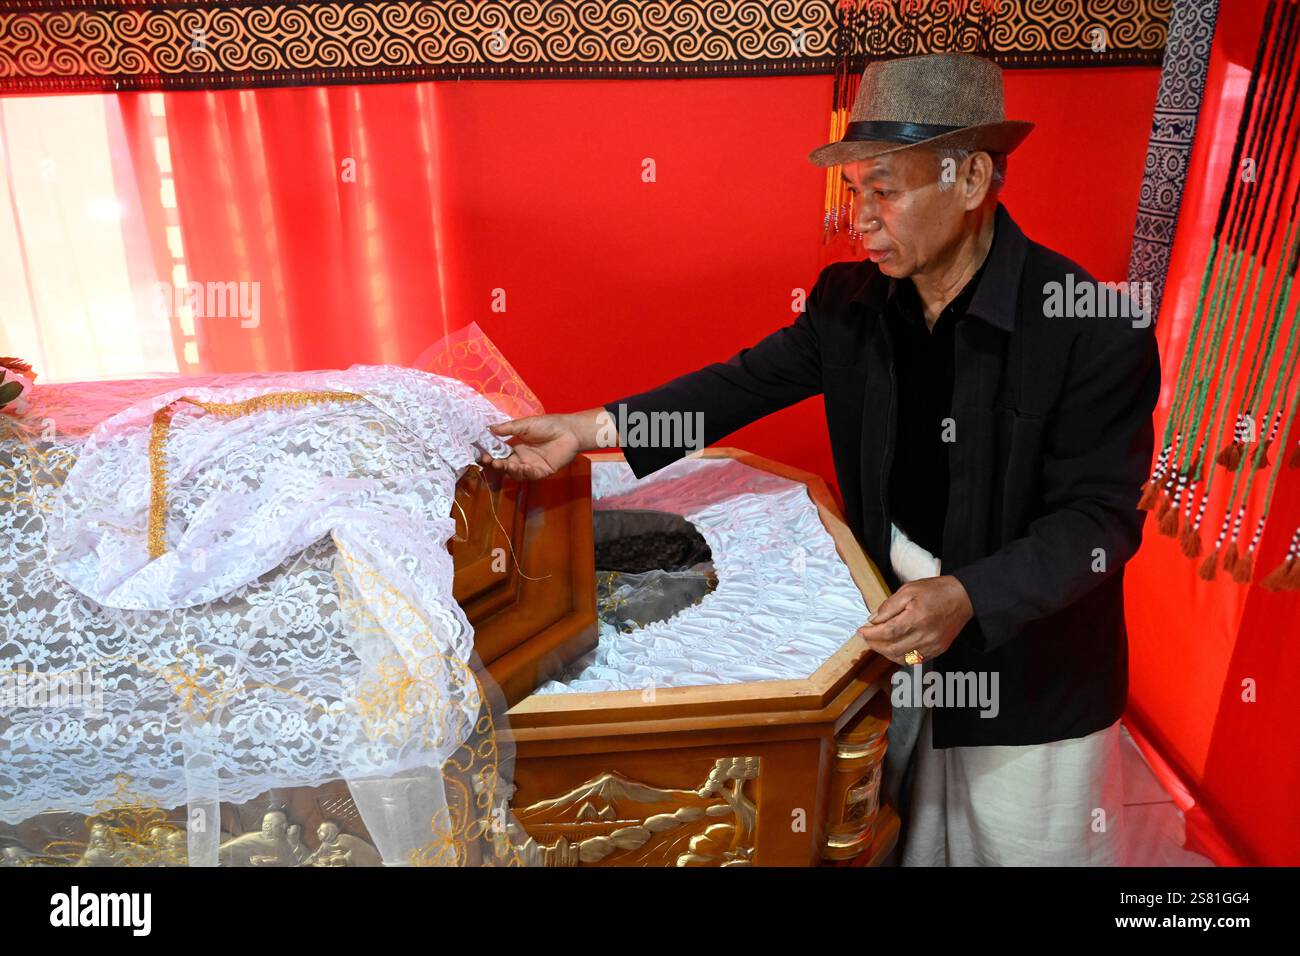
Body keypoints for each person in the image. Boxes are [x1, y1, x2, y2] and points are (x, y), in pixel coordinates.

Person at [477, 52, 1159, 865]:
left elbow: (1098, 522)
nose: (861, 220)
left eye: (885, 191)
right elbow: (738, 386)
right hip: (904, 624)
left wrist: (970, 595)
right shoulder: (852, 304)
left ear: (972, 178)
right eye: (855, 192)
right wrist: (585, 430)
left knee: (1020, 848)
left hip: (1031, 663)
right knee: (910, 829)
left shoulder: (1092, 331)